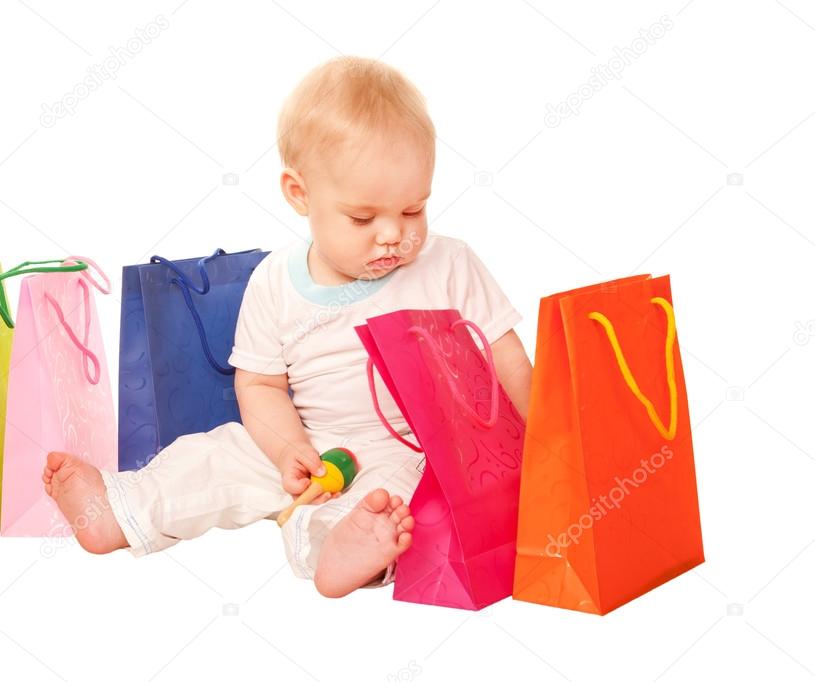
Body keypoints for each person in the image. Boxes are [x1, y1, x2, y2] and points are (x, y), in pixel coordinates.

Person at [43, 56, 533, 598]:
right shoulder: (275, 280)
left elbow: (505, 355)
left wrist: (543, 441)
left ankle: (340, 548)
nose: (394, 235)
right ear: (300, 194)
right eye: (363, 218)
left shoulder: (449, 263)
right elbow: (259, 385)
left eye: (413, 210)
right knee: (212, 455)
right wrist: (285, 449)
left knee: (395, 504)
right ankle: (120, 508)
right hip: (305, 442)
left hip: (408, 447)